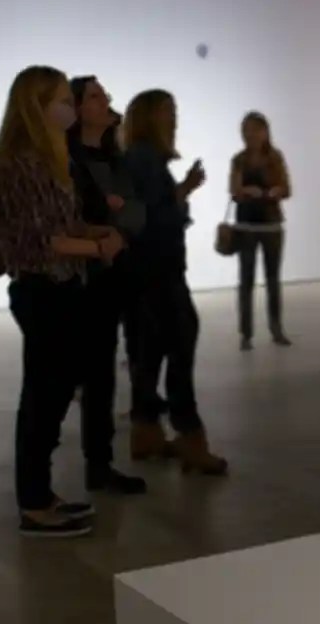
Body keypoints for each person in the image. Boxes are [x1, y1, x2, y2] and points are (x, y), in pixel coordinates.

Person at [0, 65, 126, 537]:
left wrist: (93, 232)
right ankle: (32, 504)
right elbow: (37, 240)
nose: (70, 108)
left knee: (53, 394)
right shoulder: (20, 163)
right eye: (64, 100)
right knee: (44, 397)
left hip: (64, 286)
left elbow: (63, 224)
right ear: (38, 106)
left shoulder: (51, 159)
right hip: (41, 288)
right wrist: (96, 247)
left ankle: (41, 493)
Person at [121, 89, 227, 476]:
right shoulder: (145, 158)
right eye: (168, 111)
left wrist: (183, 190)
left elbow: (151, 209)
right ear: (151, 117)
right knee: (181, 338)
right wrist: (180, 197)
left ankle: (145, 430)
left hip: (150, 268)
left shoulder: (142, 158)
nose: (174, 118)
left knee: (152, 349)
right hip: (158, 267)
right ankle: (188, 432)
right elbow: (151, 217)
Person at [67, 76, 147, 496]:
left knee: (101, 375)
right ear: (77, 107)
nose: (108, 100)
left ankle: (99, 464)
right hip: (81, 277)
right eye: (96, 96)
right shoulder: (67, 159)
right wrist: (111, 220)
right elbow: (78, 213)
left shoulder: (116, 158)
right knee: (73, 376)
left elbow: (135, 212)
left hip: (115, 273)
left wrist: (121, 225)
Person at [230, 111, 292, 351]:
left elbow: (286, 189)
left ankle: (276, 328)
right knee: (246, 280)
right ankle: (246, 333)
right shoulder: (239, 160)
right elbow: (234, 191)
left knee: (273, 279)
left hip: (271, 225)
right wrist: (246, 192)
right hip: (246, 225)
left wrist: (268, 193)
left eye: (256, 130)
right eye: (246, 130)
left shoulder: (275, 158)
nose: (251, 135)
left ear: (265, 132)